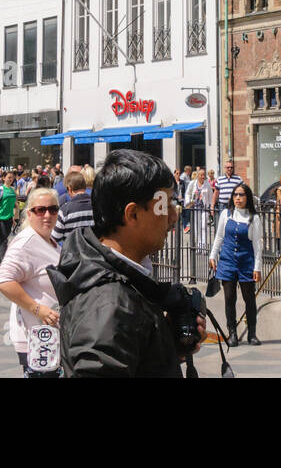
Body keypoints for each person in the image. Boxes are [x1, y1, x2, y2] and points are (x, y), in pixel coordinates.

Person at [48, 149, 199, 378]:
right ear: (133, 214)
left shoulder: (118, 278)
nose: (173, 216)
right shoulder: (110, 305)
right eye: (164, 205)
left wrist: (164, 348)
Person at [0, 187, 63, 376]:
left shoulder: (48, 240)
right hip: (36, 337)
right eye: (40, 210)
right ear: (29, 213)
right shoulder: (25, 243)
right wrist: (37, 308)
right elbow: (4, 281)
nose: (47, 215)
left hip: (50, 335)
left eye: (53, 209)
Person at [208, 182, 263, 347]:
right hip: (227, 261)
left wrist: (257, 267)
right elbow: (219, 237)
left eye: (241, 195)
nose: (238, 198)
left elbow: (258, 245)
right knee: (229, 298)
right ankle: (232, 333)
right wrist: (213, 255)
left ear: (248, 198)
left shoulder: (254, 218)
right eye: (235, 195)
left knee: (249, 298)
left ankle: (252, 333)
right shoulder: (226, 214)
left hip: (246, 261)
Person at [51, 169, 93, 245]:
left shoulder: (64, 210)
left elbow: (55, 238)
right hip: (94, 253)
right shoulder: (97, 207)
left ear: (69, 188)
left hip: (72, 253)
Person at [0, 170, 18, 252]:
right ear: (3, 178)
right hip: (0, 218)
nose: (11, 179)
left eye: (12, 178)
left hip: (9, 219)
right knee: (3, 240)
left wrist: (13, 217)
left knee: (4, 239)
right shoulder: (0, 190)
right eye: (9, 177)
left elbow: (12, 205)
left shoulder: (13, 190)